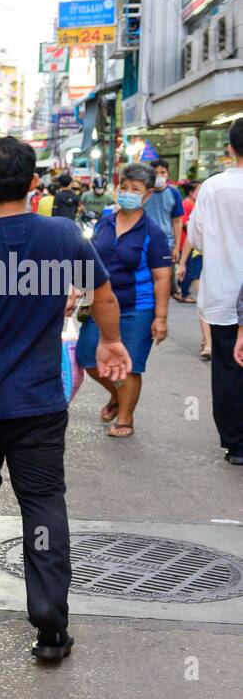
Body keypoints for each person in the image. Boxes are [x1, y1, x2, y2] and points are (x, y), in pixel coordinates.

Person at [0, 136, 131, 663]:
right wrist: (111, 341)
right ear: (34, 185)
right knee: (43, 504)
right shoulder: (63, 234)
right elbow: (103, 295)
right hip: (41, 402)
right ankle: (49, 621)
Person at [76, 162, 172, 438]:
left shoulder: (152, 232)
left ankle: (126, 418)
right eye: (124, 187)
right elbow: (89, 262)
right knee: (87, 356)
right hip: (101, 305)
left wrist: (161, 318)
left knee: (129, 367)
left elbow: (162, 277)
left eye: (135, 189)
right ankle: (117, 396)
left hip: (137, 308)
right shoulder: (105, 222)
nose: (127, 193)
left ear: (147, 195)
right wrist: (79, 292)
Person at [187, 119, 243, 465]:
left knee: (227, 369)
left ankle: (236, 443)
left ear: (230, 149)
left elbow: (196, 239)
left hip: (223, 291)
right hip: (226, 294)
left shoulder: (213, 187)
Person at [143, 159, 184, 261]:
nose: (159, 175)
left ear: (167, 174)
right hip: (143, 241)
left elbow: (177, 221)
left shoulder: (174, 193)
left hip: (166, 243)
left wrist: (177, 247)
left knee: (165, 275)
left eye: (163, 172)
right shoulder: (143, 192)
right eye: (155, 172)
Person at [174, 181, 201, 305]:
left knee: (186, 267)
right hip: (185, 242)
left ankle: (181, 292)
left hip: (187, 242)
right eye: (198, 190)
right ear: (191, 192)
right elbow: (185, 223)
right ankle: (184, 294)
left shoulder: (191, 203)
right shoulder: (187, 203)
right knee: (187, 268)